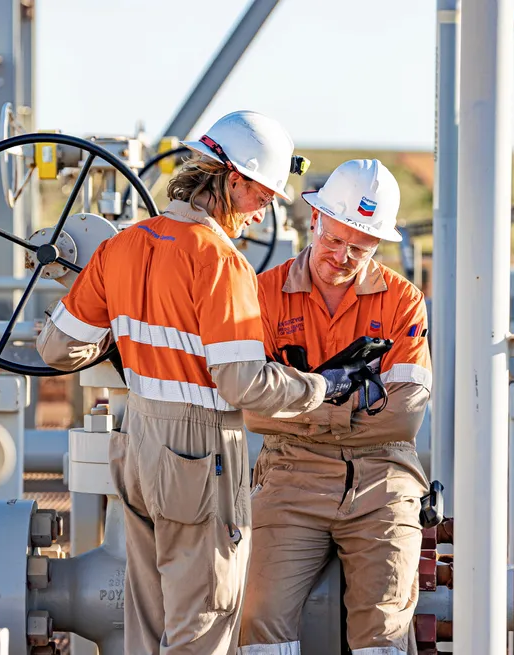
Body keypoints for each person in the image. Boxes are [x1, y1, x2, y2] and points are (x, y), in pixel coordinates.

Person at [35, 111, 359, 655]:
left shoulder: (123, 245)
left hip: (136, 442)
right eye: (262, 196)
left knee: (146, 620)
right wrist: (321, 387)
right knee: (204, 621)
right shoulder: (220, 261)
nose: (264, 213)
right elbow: (242, 384)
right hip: (199, 454)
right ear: (232, 181)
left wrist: (123, 345)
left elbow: (57, 348)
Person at [238, 159, 433, 655]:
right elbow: (248, 405)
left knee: (384, 624)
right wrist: (345, 400)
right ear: (314, 220)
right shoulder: (263, 295)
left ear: (377, 246)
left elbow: (406, 415)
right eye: (334, 239)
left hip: (382, 479)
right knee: (257, 615)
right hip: (290, 476)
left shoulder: (403, 301)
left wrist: (300, 400)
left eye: (360, 247)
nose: (342, 256)